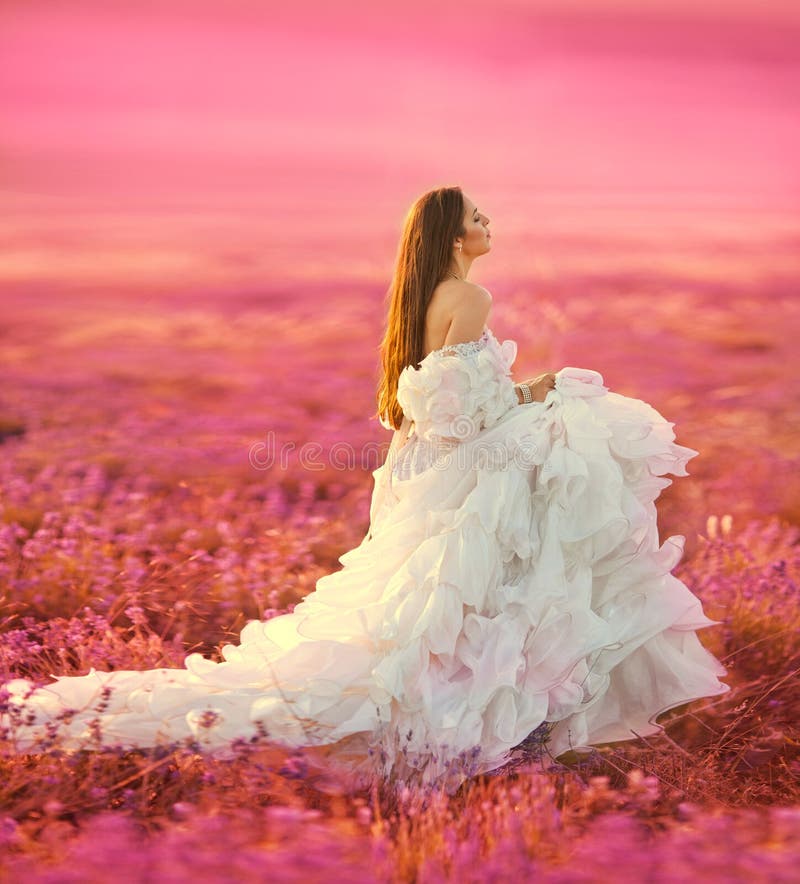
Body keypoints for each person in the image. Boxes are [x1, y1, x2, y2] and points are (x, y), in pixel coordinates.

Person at [1, 186, 730, 793]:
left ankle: (473, 725)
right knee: (503, 588)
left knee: (439, 607)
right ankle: (481, 733)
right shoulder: (469, 298)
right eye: (476, 216)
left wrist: (522, 391)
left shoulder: (419, 299)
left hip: (436, 476)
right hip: (467, 479)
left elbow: (439, 403)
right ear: (451, 232)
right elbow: (471, 412)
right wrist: (541, 397)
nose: (487, 224)